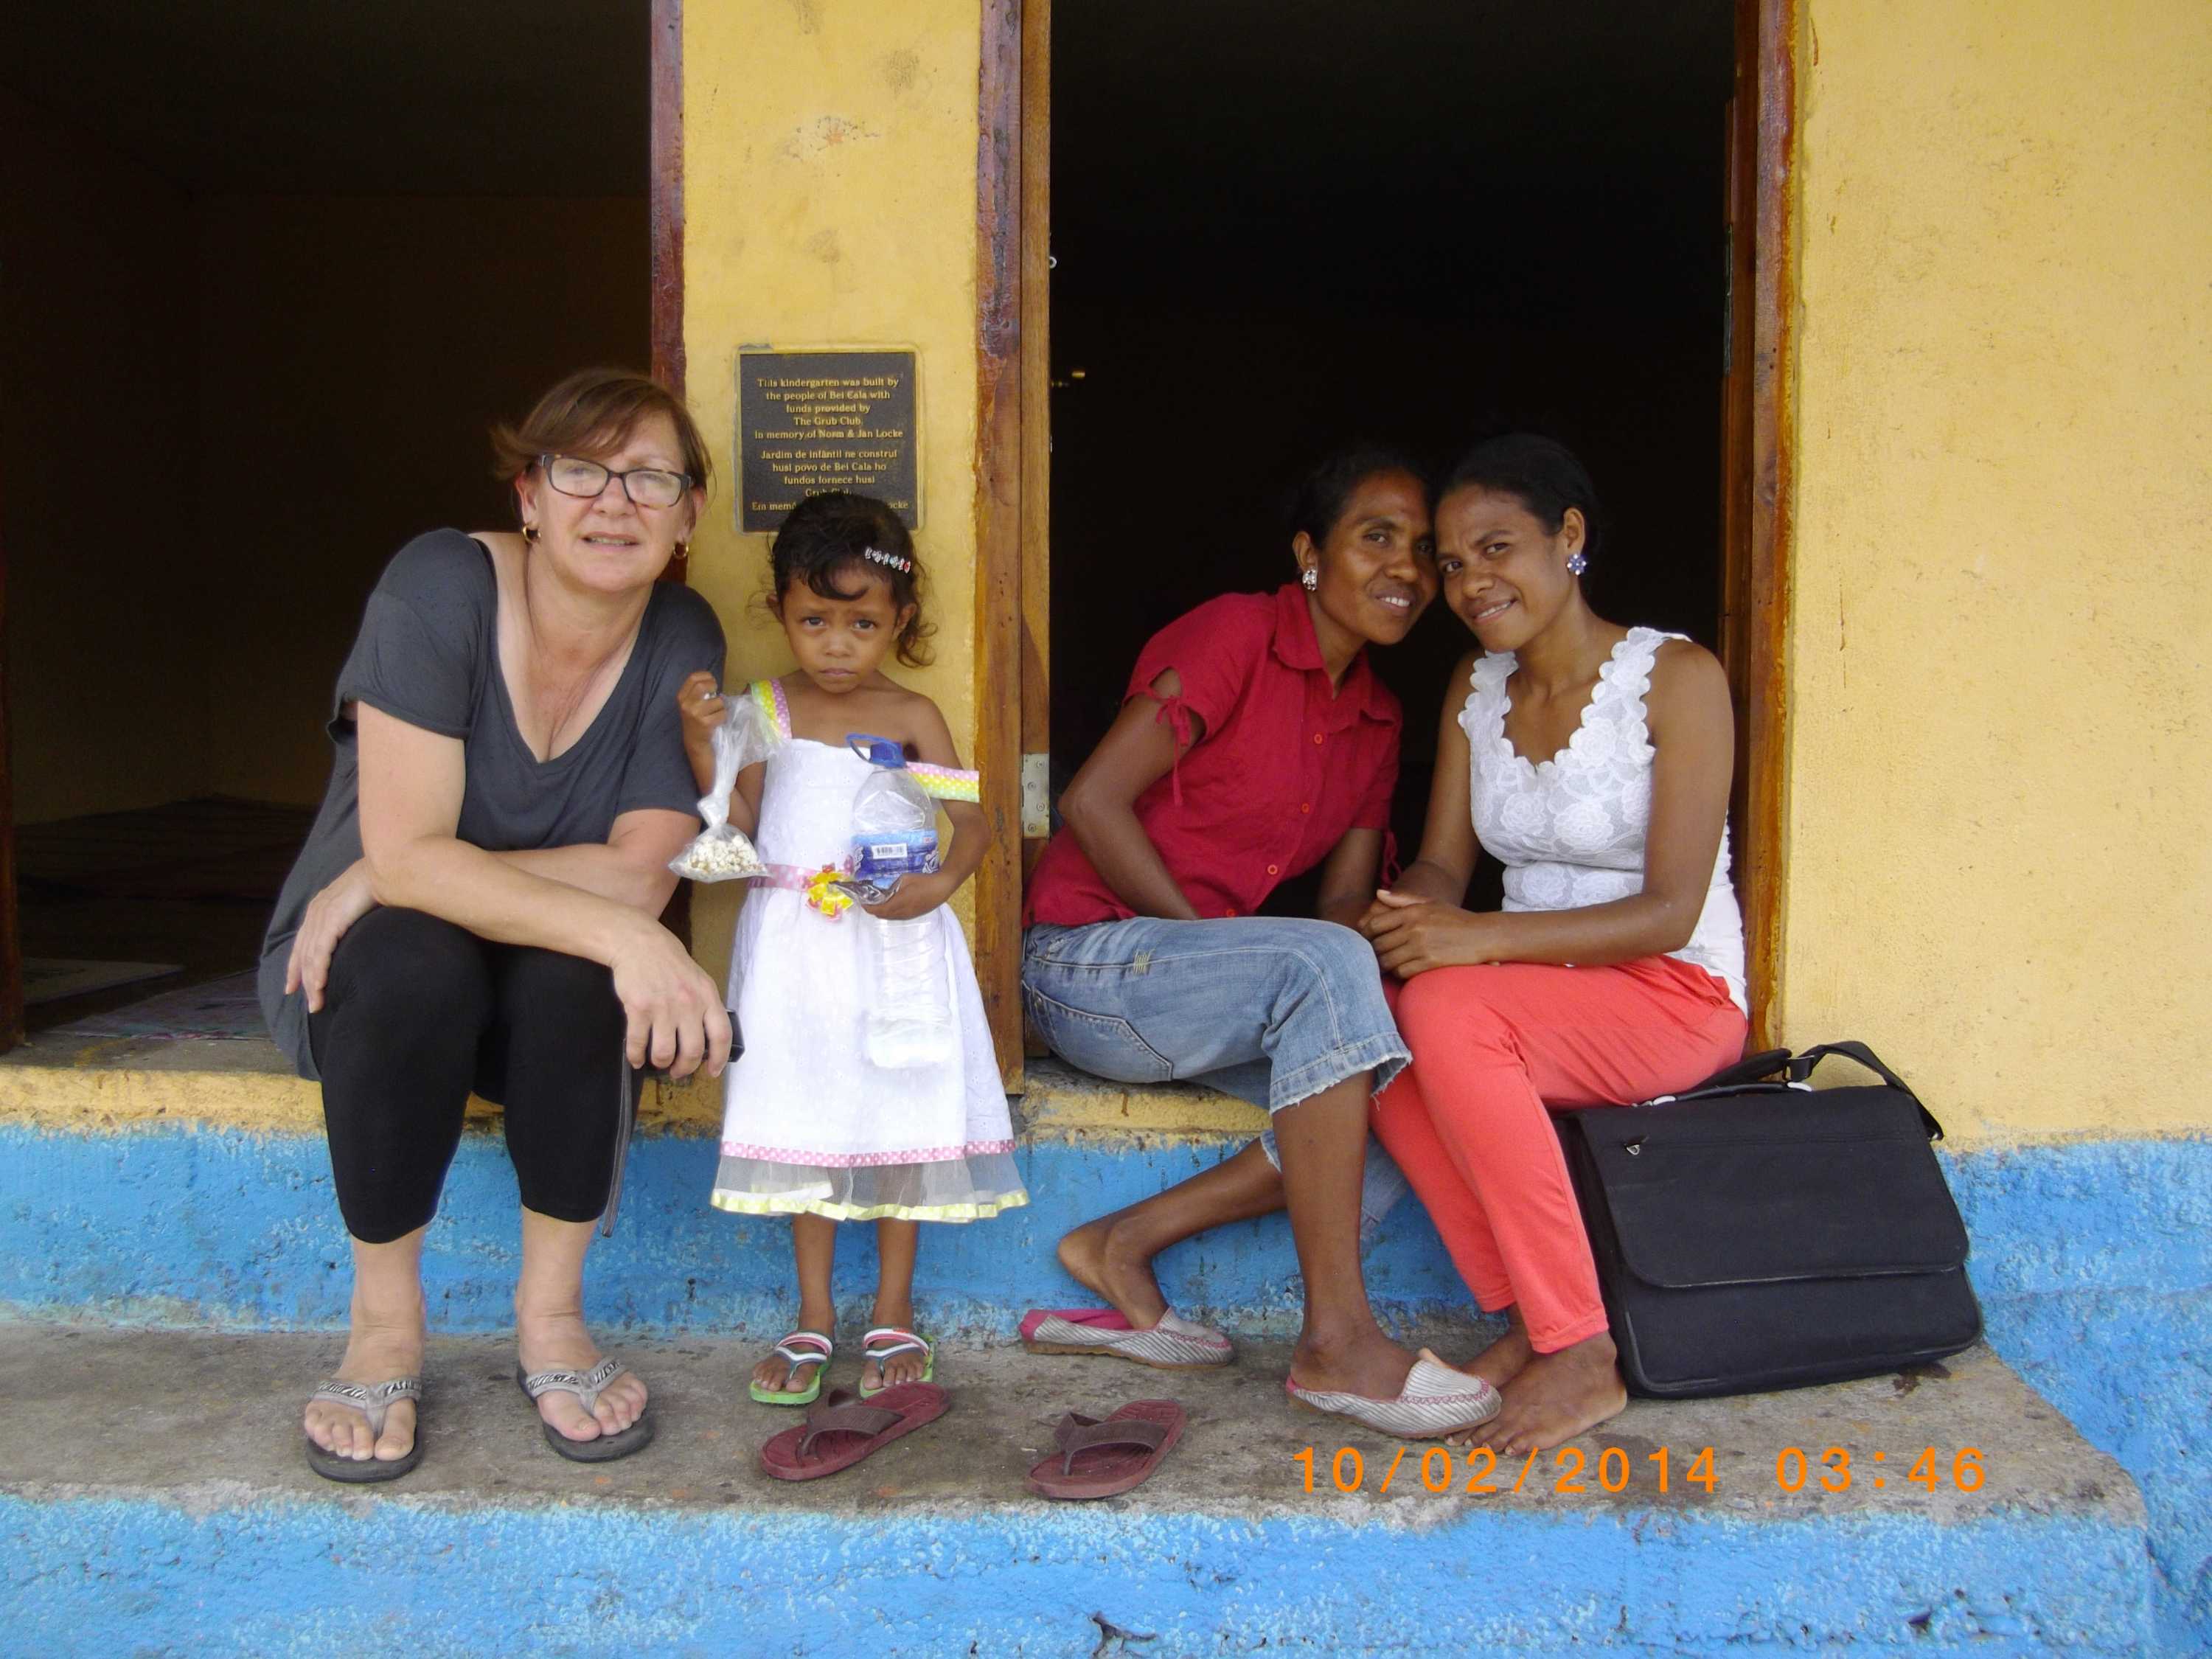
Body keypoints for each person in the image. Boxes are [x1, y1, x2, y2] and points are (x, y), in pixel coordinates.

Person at [262, 369, 732, 1481]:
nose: (613, 501)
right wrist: (403, 882)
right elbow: (611, 900)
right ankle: (382, 1328)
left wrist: (399, 870)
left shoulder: (681, 631)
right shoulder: (438, 585)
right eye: (581, 470)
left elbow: (640, 874)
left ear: (687, 516)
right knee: (421, 958)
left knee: (576, 968)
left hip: (522, 990)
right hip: (358, 973)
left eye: (650, 477)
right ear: (530, 493)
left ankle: (551, 1318)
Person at [1020, 447, 1500, 1439]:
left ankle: (1119, 1243)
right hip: (1086, 964)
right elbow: (1091, 801)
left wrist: (1440, 937)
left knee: (1405, 1080)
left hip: (1205, 987)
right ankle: (1338, 1339)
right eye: (1376, 537)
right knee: (1326, 971)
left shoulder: (1375, 718)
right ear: (1308, 552)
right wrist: (1212, 946)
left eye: (1422, 551)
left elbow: (1339, 908)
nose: (1404, 569)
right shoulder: (1238, 631)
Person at [1360, 433, 1750, 1453]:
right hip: (1531, 992)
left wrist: (1475, 940)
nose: (1470, 582)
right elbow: (1447, 863)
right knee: (1378, 1044)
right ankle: (1532, 1321)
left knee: (1447, 1006)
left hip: (1672, 992)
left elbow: (1670, 908)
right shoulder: (1475, 691)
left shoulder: (1675, 678)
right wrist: (1412, 913)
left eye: (1496, 549)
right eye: (1452, 564)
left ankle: (1581, 1348)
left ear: (1568, 538)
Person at [680, 491, 1025, 1407]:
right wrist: (699, 740)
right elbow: (744, 824)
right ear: (782, 613)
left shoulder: (913, 716)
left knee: (898, 1109)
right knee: (806, 1110)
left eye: (862, 622)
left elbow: (974, 825)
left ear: (899, 620)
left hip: (896, 942)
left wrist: (938, 889)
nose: (836, 642)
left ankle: (895, 1306)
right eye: (814, 620)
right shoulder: (764, 709)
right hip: (795, 950)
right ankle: (812, 1315)